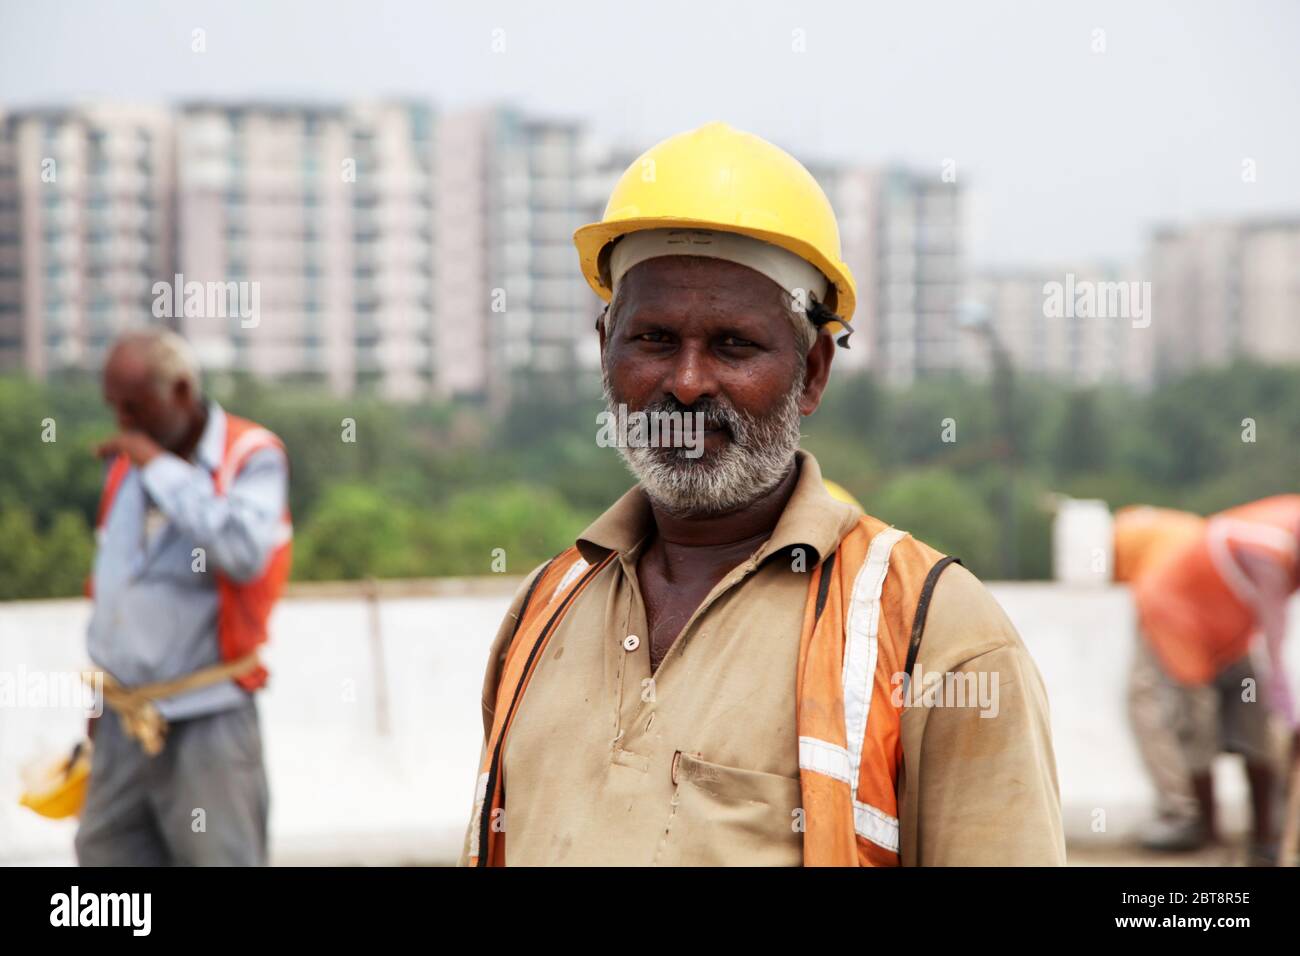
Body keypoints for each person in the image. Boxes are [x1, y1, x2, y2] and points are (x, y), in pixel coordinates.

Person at [458, 122, 1065, 866]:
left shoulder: (935, 633)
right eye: (651, 339)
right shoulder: (545, 611)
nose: (685, 384)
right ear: (605, 350)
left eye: (733, 345)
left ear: (812, 372)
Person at [75, 329, 292, 866]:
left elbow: (241, 550)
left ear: (179, 390)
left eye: (135, 406)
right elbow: (117, 585)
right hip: (123, 723)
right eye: (115, 407)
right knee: (106, 868)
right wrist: (103, 703)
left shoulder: (251, 455)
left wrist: (159, 467)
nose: (123, 420)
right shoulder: (129, 461)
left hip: (208, 722)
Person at [1133, 495, 1300, 863]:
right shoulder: (1267, 548)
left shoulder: (1290, 526)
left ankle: (1265, 840)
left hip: (1229, 628)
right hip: (1176, 617)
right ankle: (1206, 835)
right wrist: (1293, 718)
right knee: (1198, 723)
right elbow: (1276, 637)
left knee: (1254, 721)